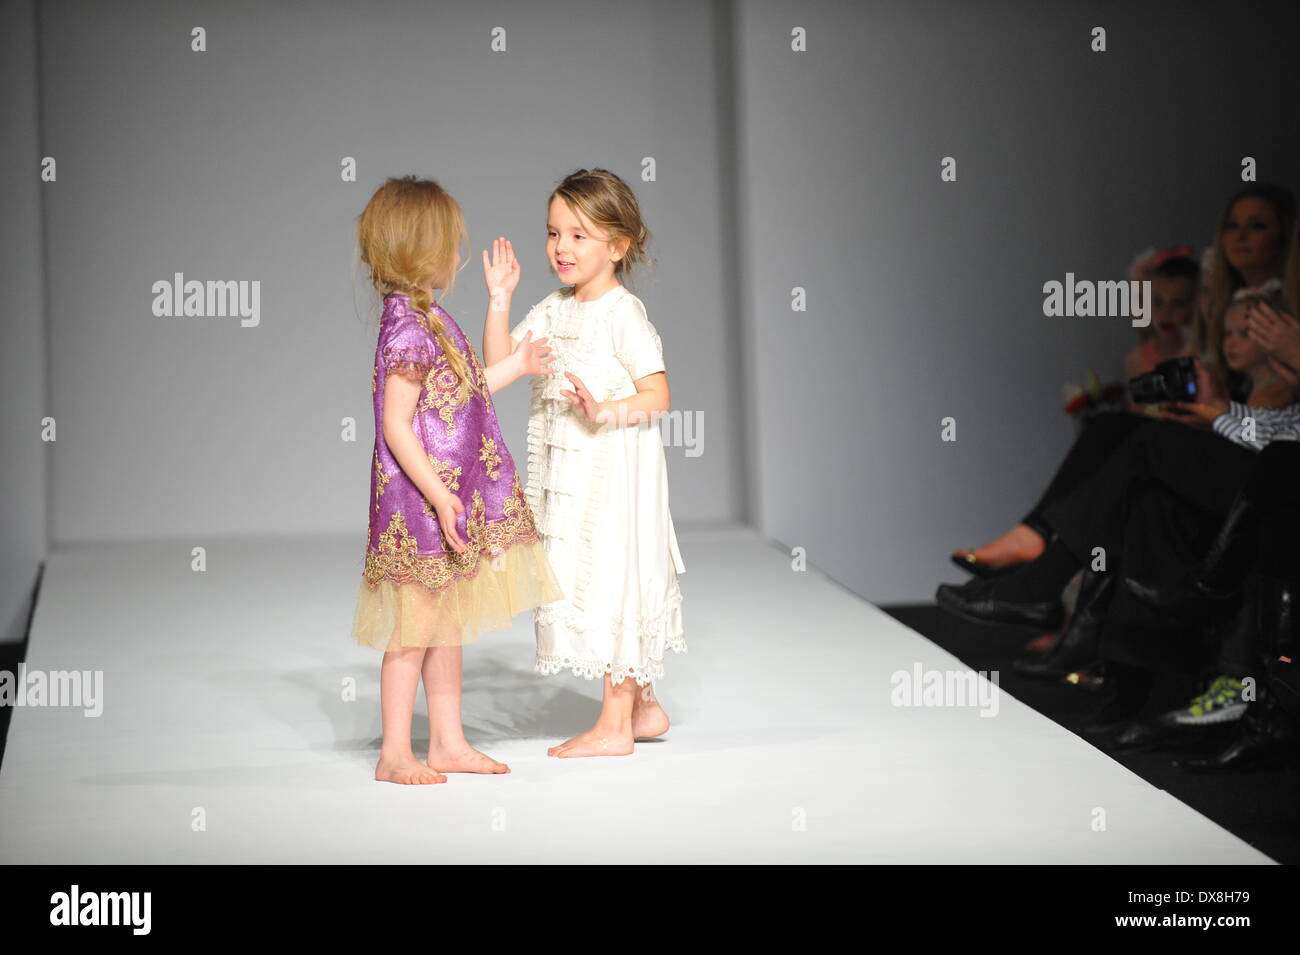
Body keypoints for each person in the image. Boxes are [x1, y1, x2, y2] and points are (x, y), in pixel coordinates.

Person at [350, 176, 564, 784]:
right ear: (421, 250)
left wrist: (516, 363)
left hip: (446, 493)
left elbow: (459, 399)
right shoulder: (409, 328)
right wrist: (440, 495)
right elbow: (395, 425)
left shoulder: (431, 318)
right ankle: (396, 751)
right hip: (420, 499)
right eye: (450, 244)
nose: (458, 256)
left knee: (445, 625)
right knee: (413, 626)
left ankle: (447, 740)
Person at [483, 168, 687, 758]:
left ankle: (615, 724)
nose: (561, 248)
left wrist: (604, 410)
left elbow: (658, 397)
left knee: (614, 576)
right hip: (568, 473)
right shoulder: (552, 309)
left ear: (617, 247)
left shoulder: (624, 314)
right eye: (553, 234)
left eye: (578, 235)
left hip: (614, 474)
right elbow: (501, 367)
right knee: (582, 577)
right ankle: (645, 708)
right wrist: (500, 302)